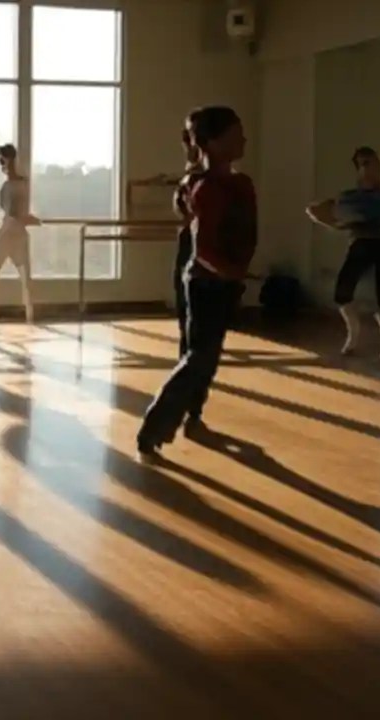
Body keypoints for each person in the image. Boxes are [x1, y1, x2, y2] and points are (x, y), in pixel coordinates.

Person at [137, 107, 256, 458]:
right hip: (208, 281)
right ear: (215, 143)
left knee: (204, 355)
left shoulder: (232, 184)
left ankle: (190, 414)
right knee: (199, 355)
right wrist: (231, 272)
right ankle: (156, 426)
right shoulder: (207, 187)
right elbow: (204, 246)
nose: (244, 140)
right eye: (236, 134)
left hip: (217, 280)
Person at [306, 147, 380, 359]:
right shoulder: (349, 196)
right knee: (342, 293)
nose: (369, 168)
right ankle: (353, 335)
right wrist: (329, 217)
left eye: (372, 163)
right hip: (360, 245)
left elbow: (378, 212)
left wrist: (346, 213)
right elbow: (331, 213)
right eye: (363, 164)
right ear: (358, 169)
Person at [0, 143, 38, 328]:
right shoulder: (12, 185)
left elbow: (14, 210)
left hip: (11, 231)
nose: (2, 166)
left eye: (3, 161)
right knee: (15, 272)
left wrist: (23, 218)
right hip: (11, 230)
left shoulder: (16, 185)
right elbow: (12, 210)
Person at [173, 129, 205, 357]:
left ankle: (192, 353)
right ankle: (189, 351)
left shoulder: (202, 174)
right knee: (185, 296)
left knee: (191, 298)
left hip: (198, 238)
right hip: (190, 235)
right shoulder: (192, 171)